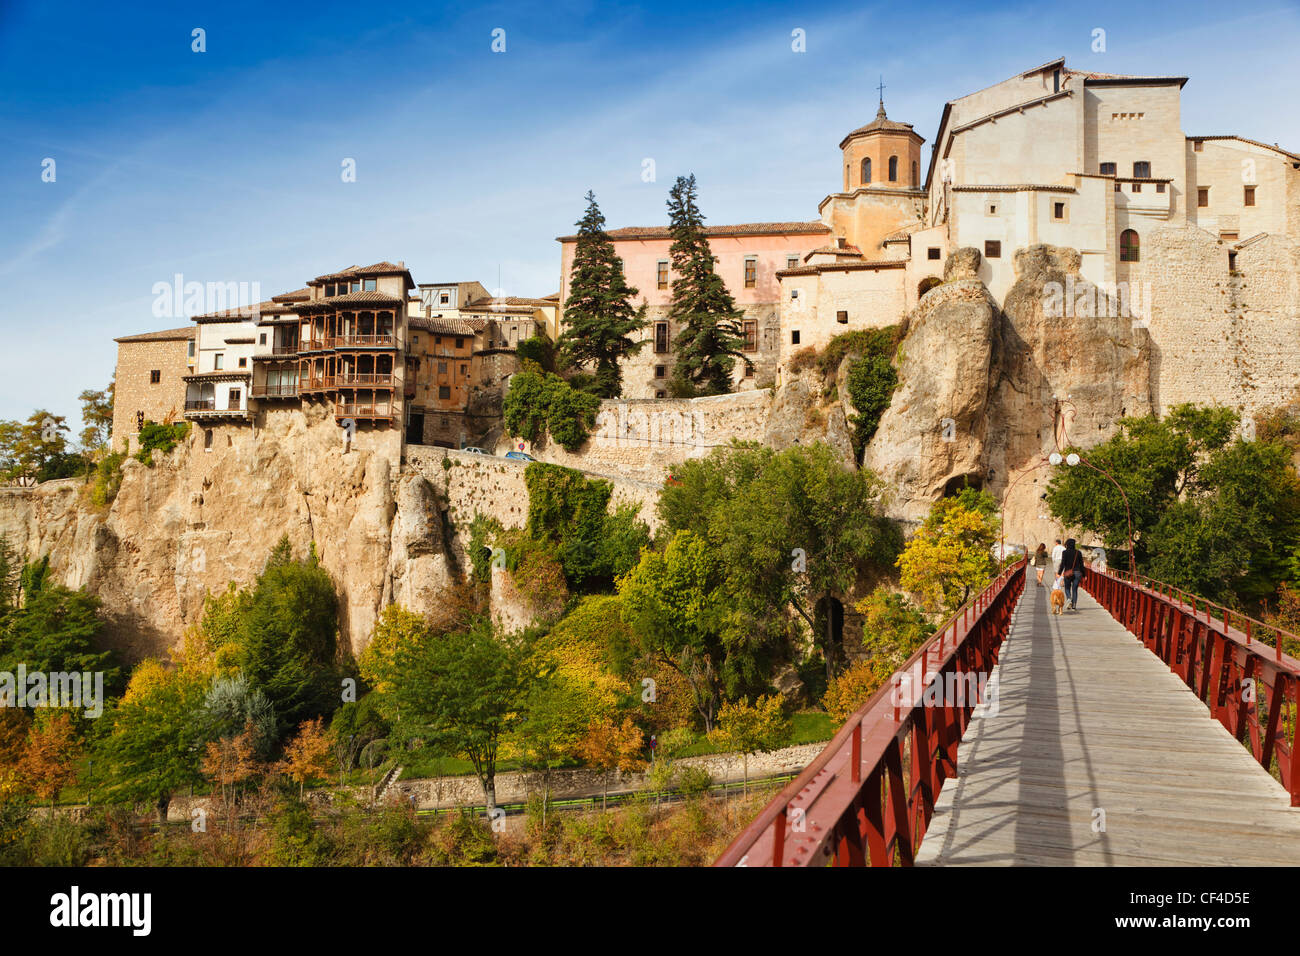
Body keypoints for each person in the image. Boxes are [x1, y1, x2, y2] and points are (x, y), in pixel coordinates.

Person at [1059, 537, 1085, 610]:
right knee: (1075, 589)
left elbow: (1063, 563)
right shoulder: (1078, 552)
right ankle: (1074, 606)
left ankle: (1069, 599)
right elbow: (1081, 565)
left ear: (1067, 544)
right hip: (1077, 573)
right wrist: (1084, 574)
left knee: (1067, 588)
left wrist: (1059, 572)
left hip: (1068, 573)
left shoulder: (1065, 552)